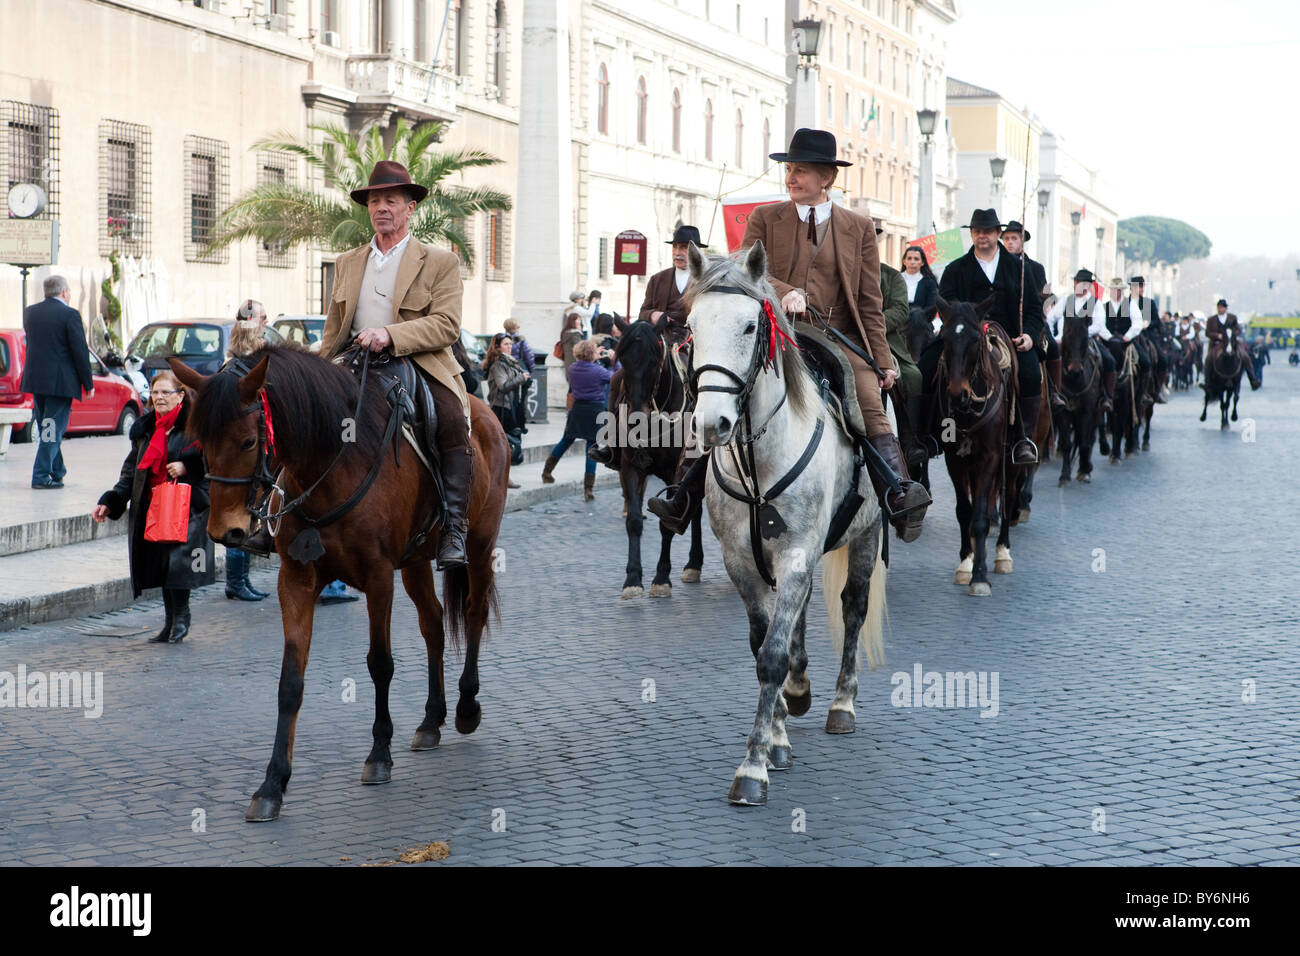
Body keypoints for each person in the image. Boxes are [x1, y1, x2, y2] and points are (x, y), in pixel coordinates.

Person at [650, 127, 931, 542]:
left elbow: (870, 303)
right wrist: (784, 292)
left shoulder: (858, 227)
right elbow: (744, 272)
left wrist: (883, 362)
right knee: (713, 389)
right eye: (789, 170)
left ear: (827, 178)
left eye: (800, 170)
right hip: (776, 332)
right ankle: (683, 492)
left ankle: (897, 490)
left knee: (867, 398)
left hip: (839, 335)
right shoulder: (765, 218)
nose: (790, 177)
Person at [320, 160, 473, 570]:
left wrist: (390, 335)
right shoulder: (348, 262)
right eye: (374, 201)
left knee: (452, 419)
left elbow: (447, 324)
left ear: (411, 208)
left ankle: (455, 527)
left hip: (419, 363)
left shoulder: (440, 262)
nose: (381, 207)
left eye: (390, 200)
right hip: (353, 363)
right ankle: (278, 510)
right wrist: (314, 372)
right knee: (302, 414)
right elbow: (334, 329)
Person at [91, 369, 213, 644]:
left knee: (178, 565)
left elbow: (214, 463)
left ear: (180, 396)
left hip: (188, 506)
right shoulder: (146, 430)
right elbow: (131, 472)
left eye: (165, 392)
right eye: (155, 393)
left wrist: (188, 466)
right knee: (160, 566)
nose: (159, 398)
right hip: (153, 507)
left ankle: (182, 618)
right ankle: (169, 622)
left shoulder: (196, 427)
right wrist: (110, 501)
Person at [928, 208, 1044, 464]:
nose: (983, 236)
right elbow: (945, 302)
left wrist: (1030, 336)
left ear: (998, 233)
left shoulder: (1020, 268)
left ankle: (1022, 438)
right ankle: (934, 434)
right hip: (965, 335)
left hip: (1010, 336)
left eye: (988, 231)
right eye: (977, 231)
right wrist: (961, 317)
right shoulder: (956, 268)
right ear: (971, 234)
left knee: (1031, 374)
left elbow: (1035, 310)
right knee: (926, 368)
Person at [22, 275, 94, 489]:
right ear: (64, 292)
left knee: (48, 426)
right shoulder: (69, 315)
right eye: (69, 292)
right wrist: (87, 383)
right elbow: (80, 351)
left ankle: (57, 470)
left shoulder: (30, 312)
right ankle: (41, 476)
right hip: (60, 384)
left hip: (36, 381)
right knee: (52, 429)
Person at [220, 320, 271, 602]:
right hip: (238, 457)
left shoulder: (235, 368)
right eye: (261, 335)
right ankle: (235, 582)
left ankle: (241, 580)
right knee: (238, 518)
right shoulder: (237, 371)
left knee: (247, 517)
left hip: (244, 453)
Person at [541, 338, 619, 501]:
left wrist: (593, 357)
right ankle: (588, 490)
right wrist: (613, 360)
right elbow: (615, 377)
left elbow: (585, 365)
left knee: (566, 441)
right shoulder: (598, 371)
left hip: (577, 409)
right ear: (591, 354)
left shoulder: (572, 368)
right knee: (592, 447)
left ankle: (547, 472)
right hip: (595, 410)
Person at [1001, 220, 1064, 408]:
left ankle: (1054, 393)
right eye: (1006, 238)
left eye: (1014, 238)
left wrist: (1034, 303)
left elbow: (1045, 297)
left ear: (1022, 241)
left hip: (1030, 321)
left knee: (1052, 347)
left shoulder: (1036, 268)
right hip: (1004, 322)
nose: (1010, 242)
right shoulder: (998, 265)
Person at [879, 230, 925, 468]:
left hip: (886, 339)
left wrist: (872, 323)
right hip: (845, 337)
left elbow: (900, 311)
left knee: (914, 376)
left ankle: (911, 439)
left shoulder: (891, 276)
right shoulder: (839, 272)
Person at [1047, 269, 1116, 412]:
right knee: (1048, 358)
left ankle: (1106, 396)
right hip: (1064, 341)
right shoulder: (1066, 300)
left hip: (1087, 341)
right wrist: (1055, 338)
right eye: (1078, 282)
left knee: (1109, 360)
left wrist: (1082, 334)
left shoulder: (1095, 303)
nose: (1079, 285)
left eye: (1083, 283)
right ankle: (1051, 393)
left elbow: (1099, 324)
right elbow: (1050, 318)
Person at [641, 225, 707, 345]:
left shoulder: (706, 280)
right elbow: (643, 312)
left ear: (696, 250)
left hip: (696, 345)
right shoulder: (657, 279)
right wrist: (652, 315)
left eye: (683, 248)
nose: (677, 253)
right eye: (674, 247)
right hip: (663, 344)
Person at [484, 333, 529, 487]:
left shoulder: (511, 362)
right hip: (501, 408)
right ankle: (502, 478)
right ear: (497, 347)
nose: (510, 347)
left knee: (507, 445)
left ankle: (503, 477)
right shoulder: (498, 365)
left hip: (511, 407)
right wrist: (521, 378)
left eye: (511, 344)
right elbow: (503, 386)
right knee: (503, 446)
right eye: (506, 344)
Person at [1205, 299, 1260, 390]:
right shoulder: (1211, 319)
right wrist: (1217, 335)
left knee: (1245, 356)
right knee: (1208, 359)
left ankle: (1253, 379)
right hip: (1217, 343)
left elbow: (1238, 330)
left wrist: (1231, 333)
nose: (1220, 309)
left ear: (1226, 309)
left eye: (1222, 308)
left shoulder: (1232, 318)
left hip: (1231, 342)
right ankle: (1207, 382)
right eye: (1218, 307)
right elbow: (1207, 333)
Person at [900, 245, 939, 313]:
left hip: (921, 320)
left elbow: (932, 307)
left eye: (916, 259)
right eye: (909, 258)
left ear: (922, 262)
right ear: (904, 261)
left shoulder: (929, 283)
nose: (912, 262)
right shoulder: (895, 280)